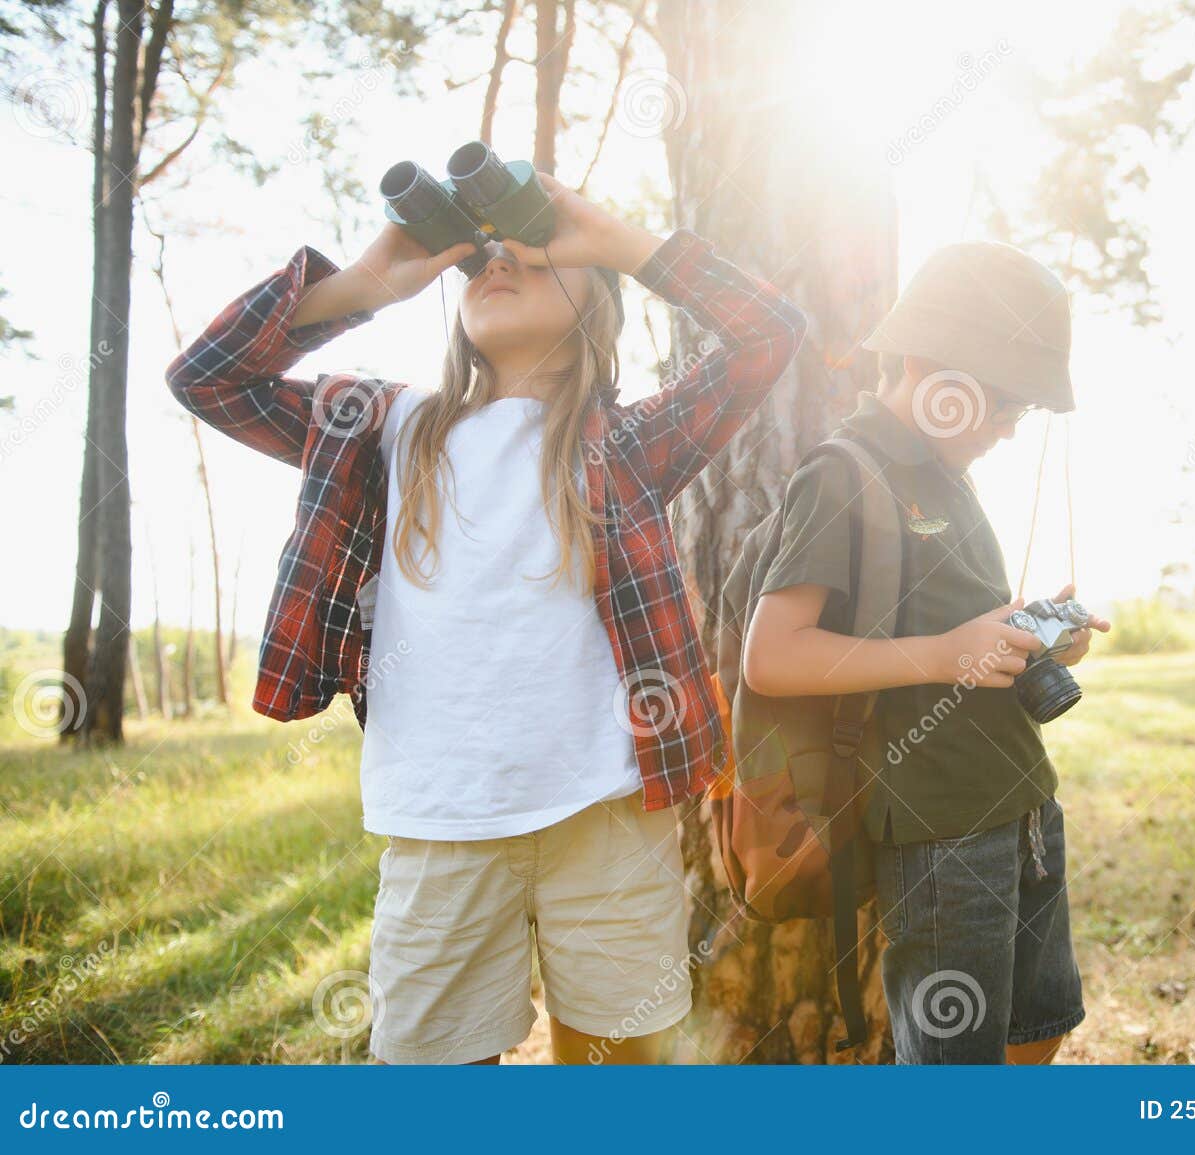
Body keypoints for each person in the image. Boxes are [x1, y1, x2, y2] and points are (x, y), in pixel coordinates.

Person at [166, 173, 805, 1064]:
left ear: (596, 300)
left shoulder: (624, 441)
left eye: (535, 250)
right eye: (483, 256)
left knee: (623, 1068)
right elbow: (207, 379)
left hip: (611, 814)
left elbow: (769, 335)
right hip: (440, 824)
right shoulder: (382, 428)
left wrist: (617, 239)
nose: (498, 260)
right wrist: (361, 286)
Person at [741, 241, 1109, 1064]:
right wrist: (944, 653)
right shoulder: (844, 473)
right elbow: (772, 656)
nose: (1012, 430)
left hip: (1021, 805)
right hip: (940, 833)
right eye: (1007, 404)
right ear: (932, 367)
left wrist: (1043, 638)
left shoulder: (948, 475)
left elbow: (967, 642)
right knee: (956, 1062)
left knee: (1039, 1025)